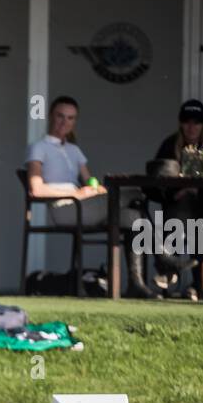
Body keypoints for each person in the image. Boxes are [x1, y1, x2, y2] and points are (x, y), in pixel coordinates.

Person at [25, 95, 149, 297]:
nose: (64, 123)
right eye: (60, 116)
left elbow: (89, 181)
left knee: (133, 216)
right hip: (64, 208)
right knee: (135, 193)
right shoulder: (39, 147)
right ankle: (164, 256)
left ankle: (137, 283)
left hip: (84, 205)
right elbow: (36, 189)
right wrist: (76, 192)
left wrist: (96, 189)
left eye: (70, 118)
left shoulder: (74, 150)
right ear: (50, 116)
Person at [149, 99, 203, 299]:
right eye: (187, 121)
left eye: (196, 122)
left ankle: (171, 270)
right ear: (180, 123)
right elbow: (154, 183)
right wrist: (176, 192)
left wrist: (200, 190)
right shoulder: (170, 146)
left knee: (198, 221)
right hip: (178, 207)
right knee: (180, 211)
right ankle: (175, 271)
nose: (191, 127)